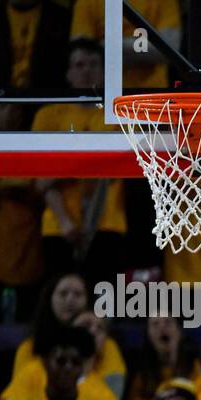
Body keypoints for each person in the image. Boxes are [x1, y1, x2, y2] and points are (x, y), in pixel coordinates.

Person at [30, 40, 127, 285]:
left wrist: (65, 167)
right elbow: (41, 182)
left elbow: (117, 169)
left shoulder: (120, 114)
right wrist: (64, 221)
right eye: (79, 64)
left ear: (106, 72)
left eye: (94, 64)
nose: (87, 70)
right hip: (57, 226)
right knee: (59, 299)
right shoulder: (48, 115)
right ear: (68, 73)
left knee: (103, 305)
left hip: (107, 225)